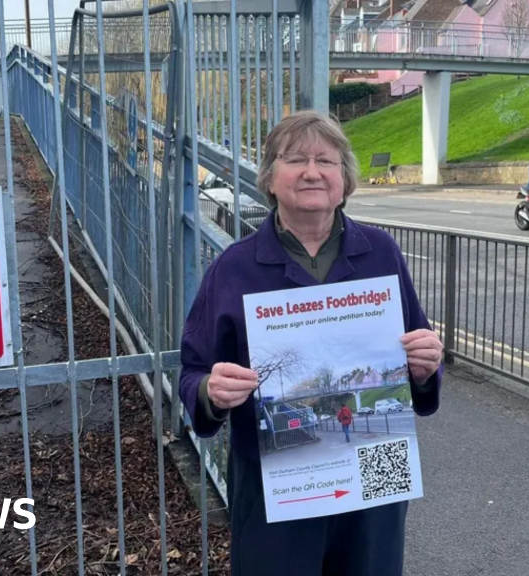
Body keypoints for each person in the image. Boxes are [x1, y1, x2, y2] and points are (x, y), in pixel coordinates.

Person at [178, 110, 444, 576]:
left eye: (327, 160)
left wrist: (425, 367)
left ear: (344, 179)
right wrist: (209, 392)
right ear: (269, 178)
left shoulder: (382, 253)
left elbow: (418, 365)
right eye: (295, 159)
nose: (312, 171)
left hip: (375, 478)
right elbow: (193, 371)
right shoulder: (235, 268)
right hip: (274, 479)